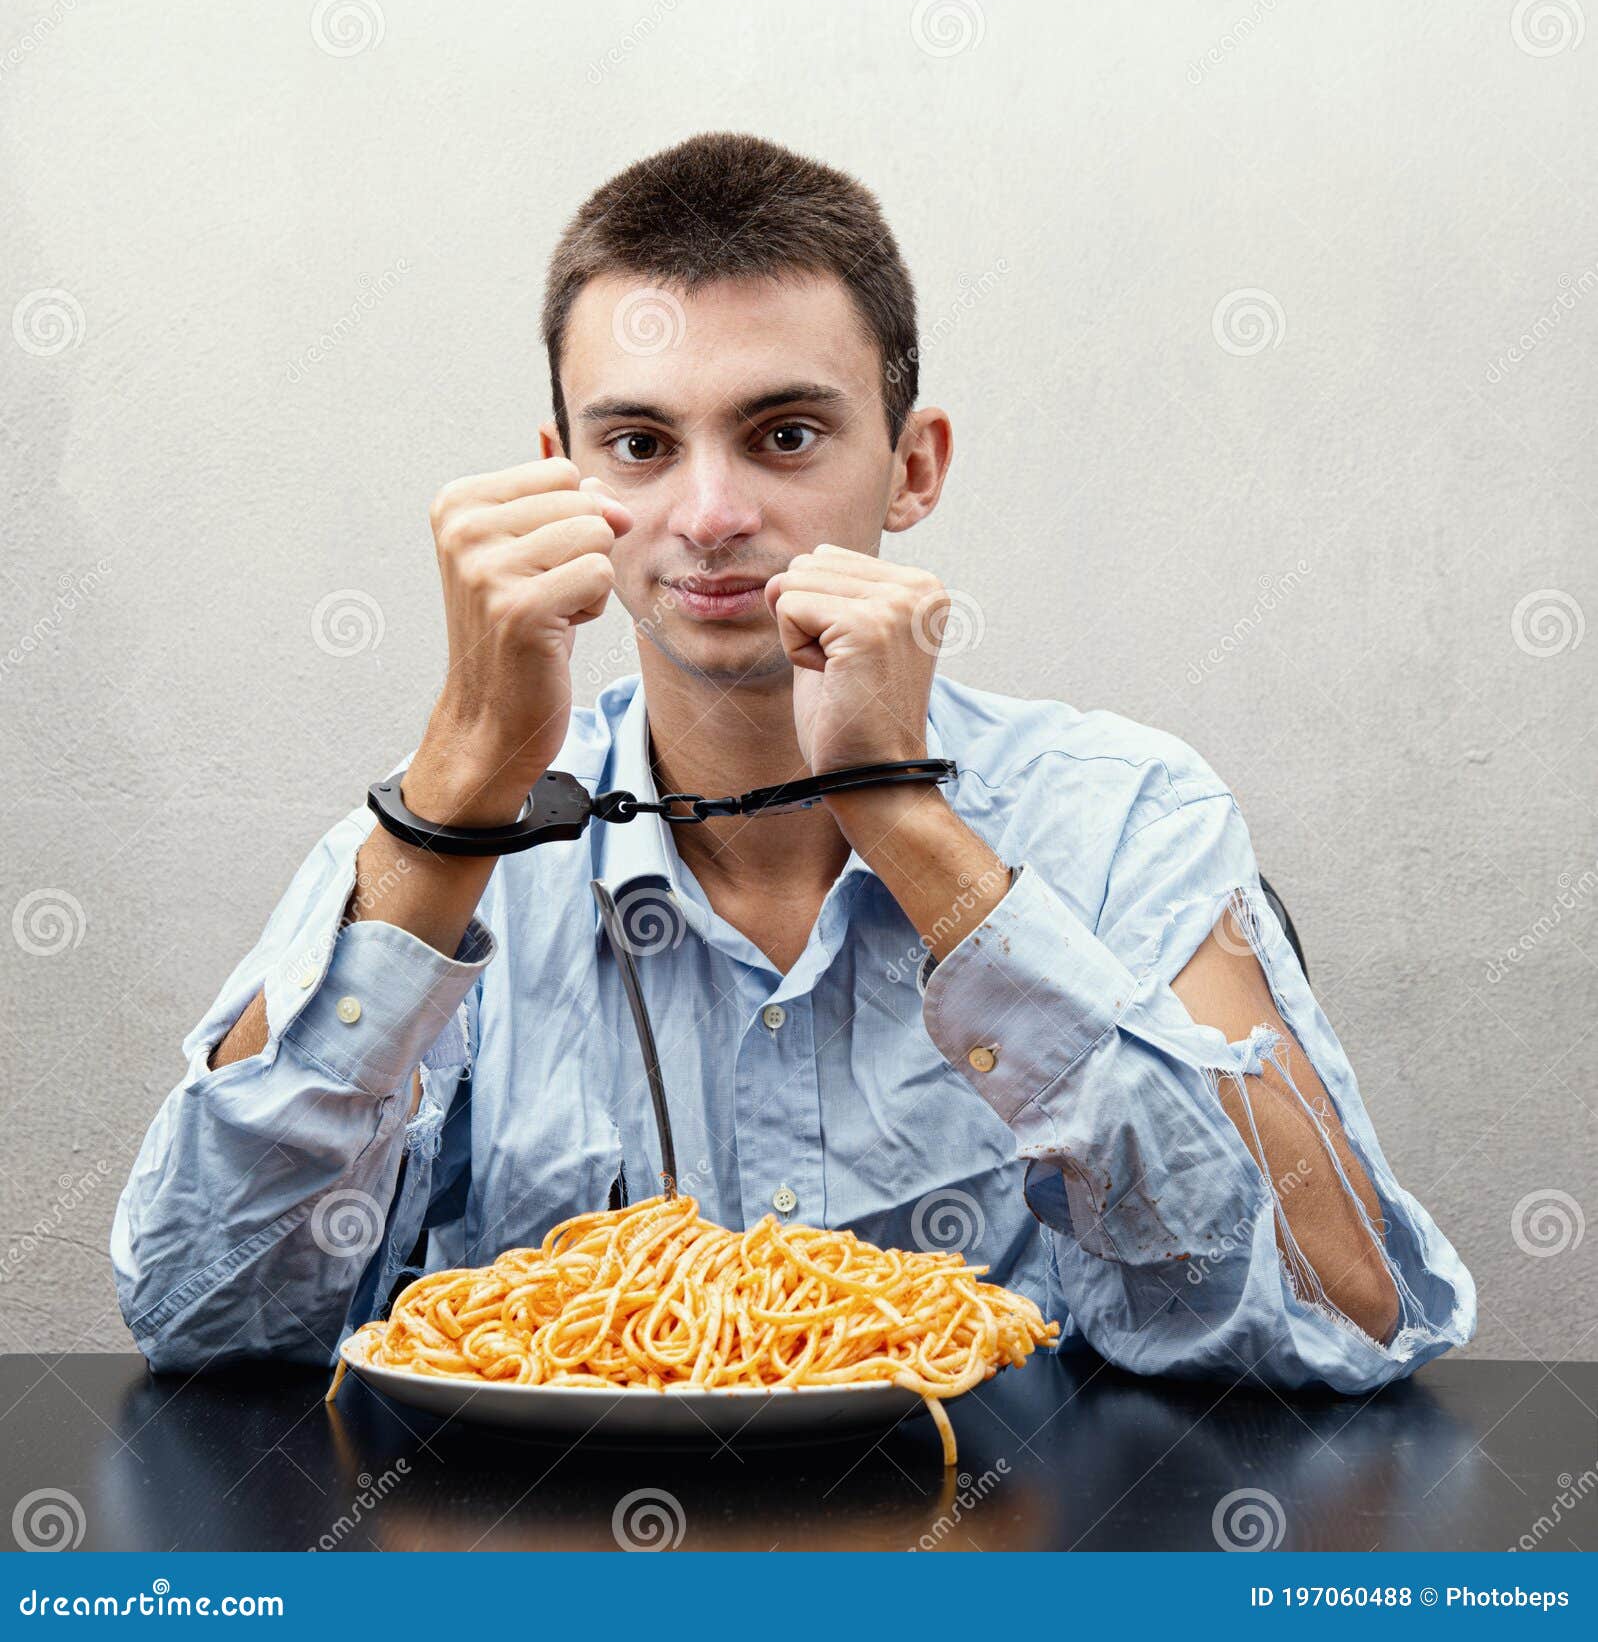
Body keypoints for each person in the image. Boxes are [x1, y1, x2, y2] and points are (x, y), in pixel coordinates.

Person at [112, 132, 1474, 1390]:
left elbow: (1339, 1313)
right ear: (559, 474)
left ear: (911, 466)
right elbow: (199, 1309)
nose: (707, 516)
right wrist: (449, 803)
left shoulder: (1126, 812)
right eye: (638, 445)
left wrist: (907, 819)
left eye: (784, 435)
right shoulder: (436, 837)